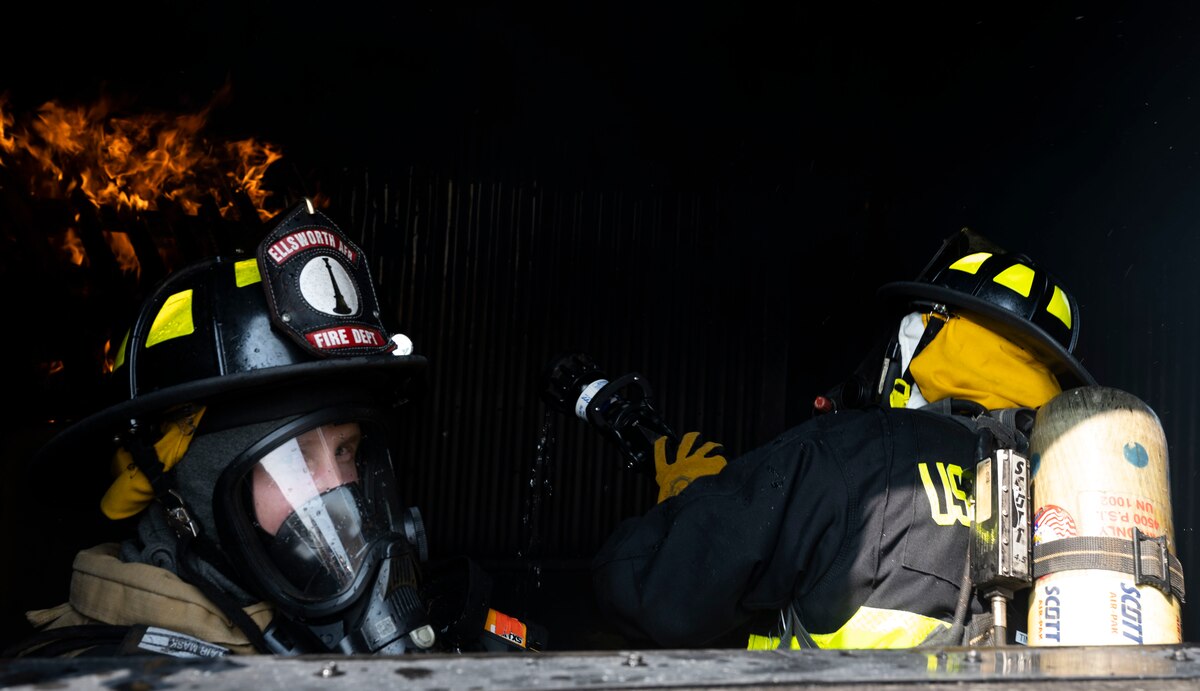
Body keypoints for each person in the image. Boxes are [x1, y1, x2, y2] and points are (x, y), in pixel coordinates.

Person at [7, 198, 542, 658]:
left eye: (349, 451)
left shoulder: (298, 626)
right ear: (187, 499)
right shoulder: (92, 670)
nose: (342, 492)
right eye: (297, 459)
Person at [588, 228, 1097, 650]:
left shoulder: (851, 455)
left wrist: (691, 502)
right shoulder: (1081, 497)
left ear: (929, 333)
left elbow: (653, 592)